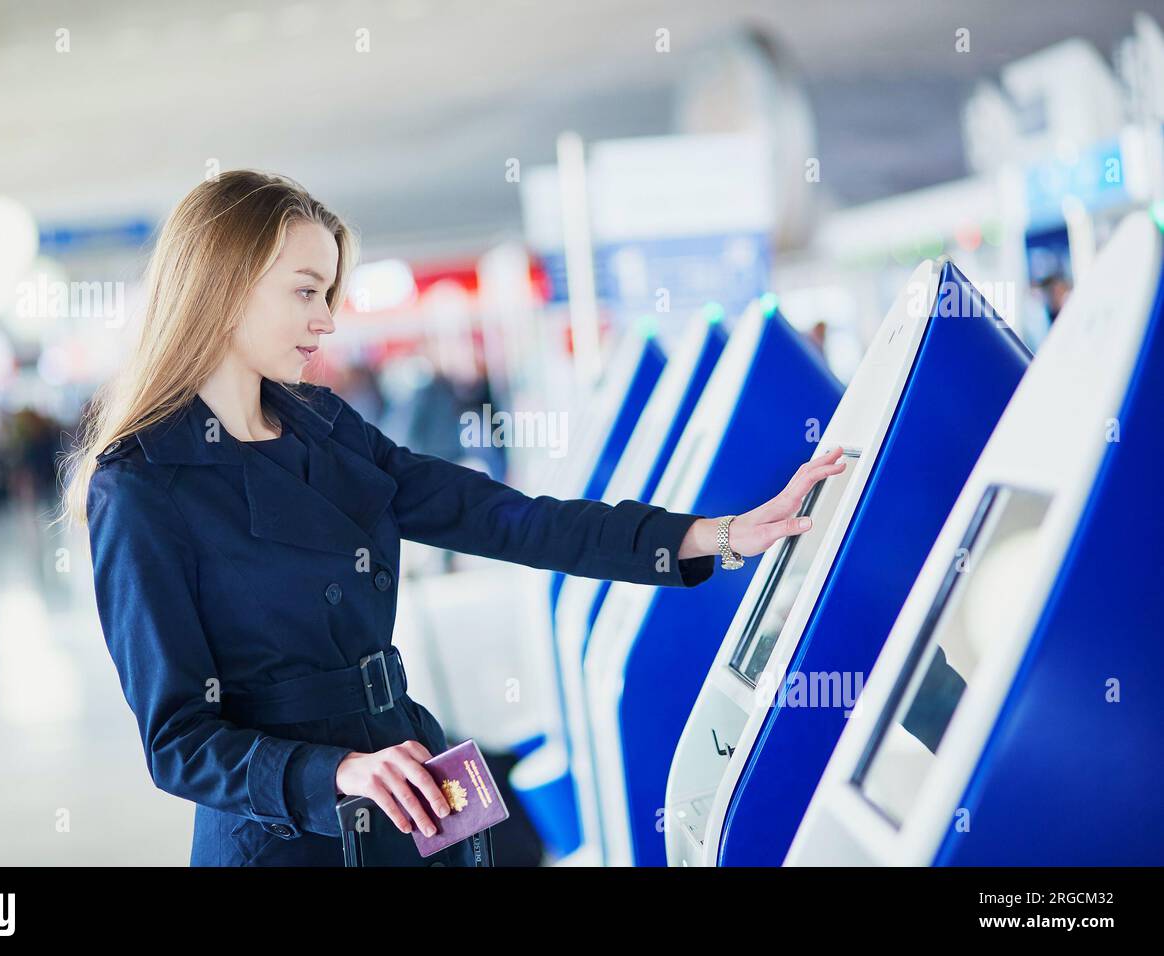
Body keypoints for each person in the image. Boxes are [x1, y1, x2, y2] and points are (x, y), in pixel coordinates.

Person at [58, 170, 845, 866]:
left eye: (327, 294)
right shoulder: (142, 485)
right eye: (305, 291)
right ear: (223, 288)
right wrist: (333, 773)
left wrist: (713, 535)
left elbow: (508, 519)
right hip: (285, 836)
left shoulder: (326, 429)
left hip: (409, 790)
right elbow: (179, 743)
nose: (326, 320)